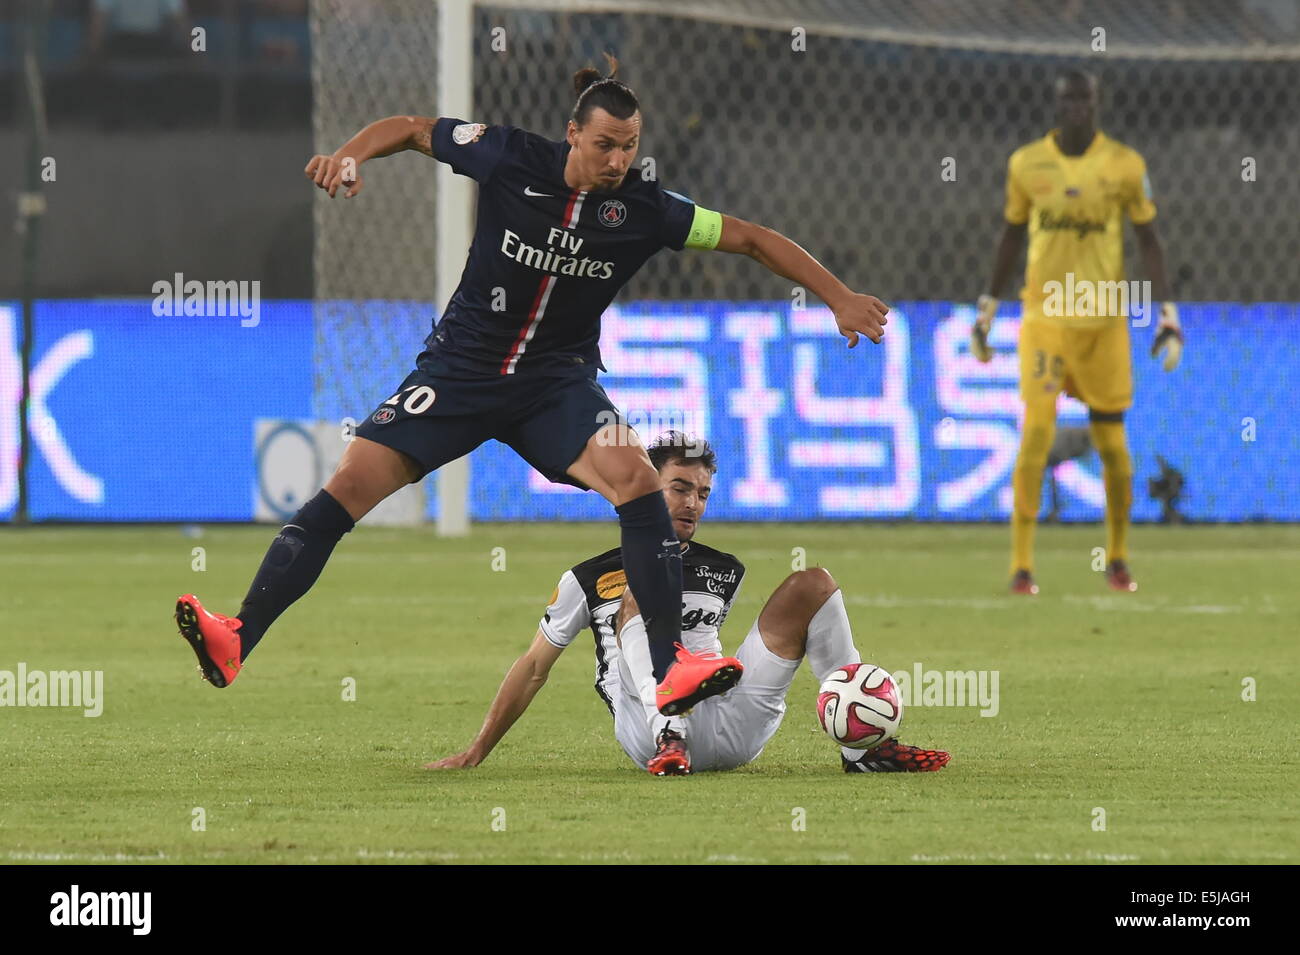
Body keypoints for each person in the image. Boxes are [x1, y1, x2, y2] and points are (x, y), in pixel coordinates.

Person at [175, 57, 891, 736]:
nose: (618, 162)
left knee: (638, 480)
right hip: (458, 371)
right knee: (347, 487)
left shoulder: (645, 209)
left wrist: (838, 297)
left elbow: (751, 239)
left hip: (556, 385)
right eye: (606, 145)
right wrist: (352, 154)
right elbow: (414, 129)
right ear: (573, 134)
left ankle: (673, 665)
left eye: (631, 148)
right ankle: (238, 635)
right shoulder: (509, 155)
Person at [427, 432, 950, 776]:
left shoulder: (723, 566)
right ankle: (669, 734)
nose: (692, 503)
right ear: (644, 486)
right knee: (639, 591)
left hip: (734, 725)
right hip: (646, 731)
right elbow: (535, 666)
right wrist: (478, 749)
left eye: (701, 493)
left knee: (812, 584)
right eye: (679, 488)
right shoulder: (587, 579)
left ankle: (861, 749)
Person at [970, 70, 1182, 595]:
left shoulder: (1125, 165)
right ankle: (1022, 567)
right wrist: (988, 307)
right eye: (1068, 100)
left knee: (1112, 445)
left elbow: (1148, 239)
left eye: (1085, 100)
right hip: (1045, 320)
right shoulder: (1026, 164)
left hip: (1105, 321)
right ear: (1057, 104)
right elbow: (1012, 235)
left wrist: (1167, 312)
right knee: (1037, 434)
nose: (1077, 109)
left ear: (1096, 104)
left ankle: (1118, 558)